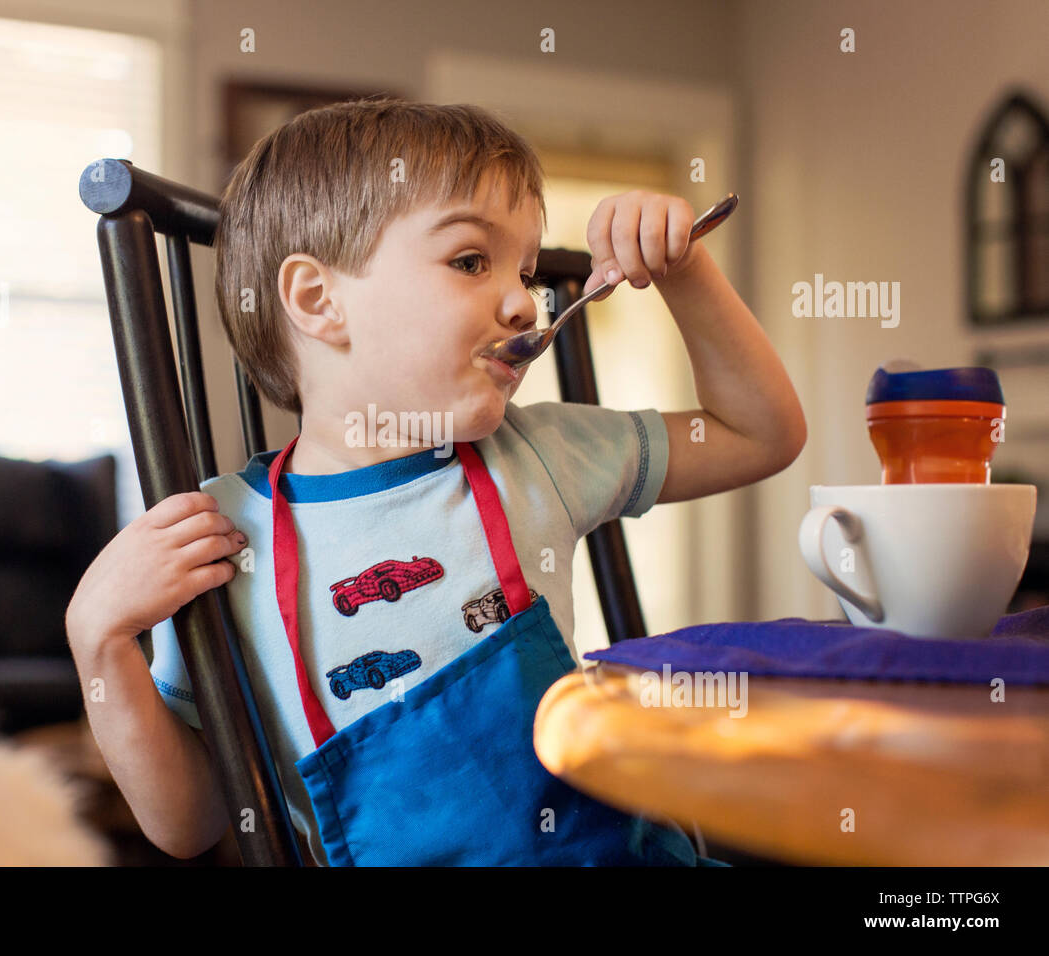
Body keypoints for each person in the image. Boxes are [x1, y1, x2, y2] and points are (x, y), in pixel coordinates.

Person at [66, 98, 806, 866]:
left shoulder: (537, 453)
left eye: (524, 270)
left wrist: (686, 273)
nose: (526, 300)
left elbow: (763, 434)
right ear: (320, 301)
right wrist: (101, 642)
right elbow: (186, 823)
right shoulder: (219, 535)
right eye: (470, 261)